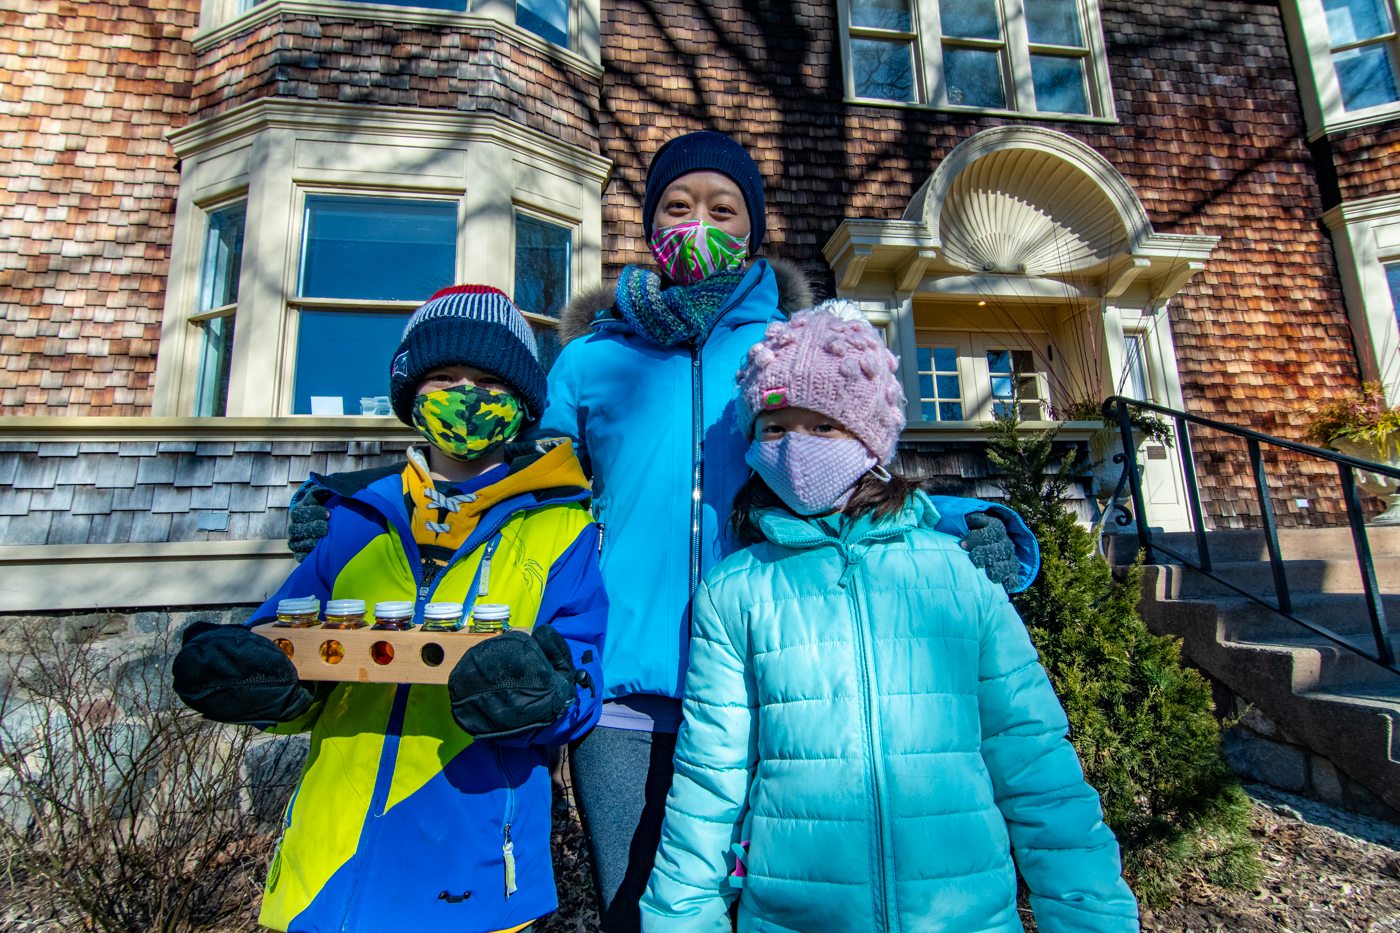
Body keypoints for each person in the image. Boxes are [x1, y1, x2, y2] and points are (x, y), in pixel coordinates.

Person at [538, 132, 1041, 933]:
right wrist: (355, 508)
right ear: (648, 224)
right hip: (624, 700)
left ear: (754, 227)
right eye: (677, 204)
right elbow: (525, 499)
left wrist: (965, 523)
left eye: (722, 206)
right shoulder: (590, 364)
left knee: (766, 909)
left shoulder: (789, 351)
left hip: (771, 680)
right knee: (640, 911)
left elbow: (853, 473)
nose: (697, 219)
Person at [638, 303, 1139, 933]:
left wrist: (1092, 916)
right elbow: (710, 779)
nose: (794, 446)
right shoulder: (736, 590)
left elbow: (1036, 762)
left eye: (823, 426)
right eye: (774, 427)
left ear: (872, 440)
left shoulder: (959, 574)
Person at [172, 285, 607, 933]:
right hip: (329, 875)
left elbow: (582, 683)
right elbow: (286, 651)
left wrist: (542, 695)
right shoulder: (353, 521)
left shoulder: (560, 531)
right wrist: (264, 687)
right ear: (411, 392)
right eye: (443, 376)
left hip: (474, 876)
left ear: (522, 401)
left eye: (488, 379)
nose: (465, 393)